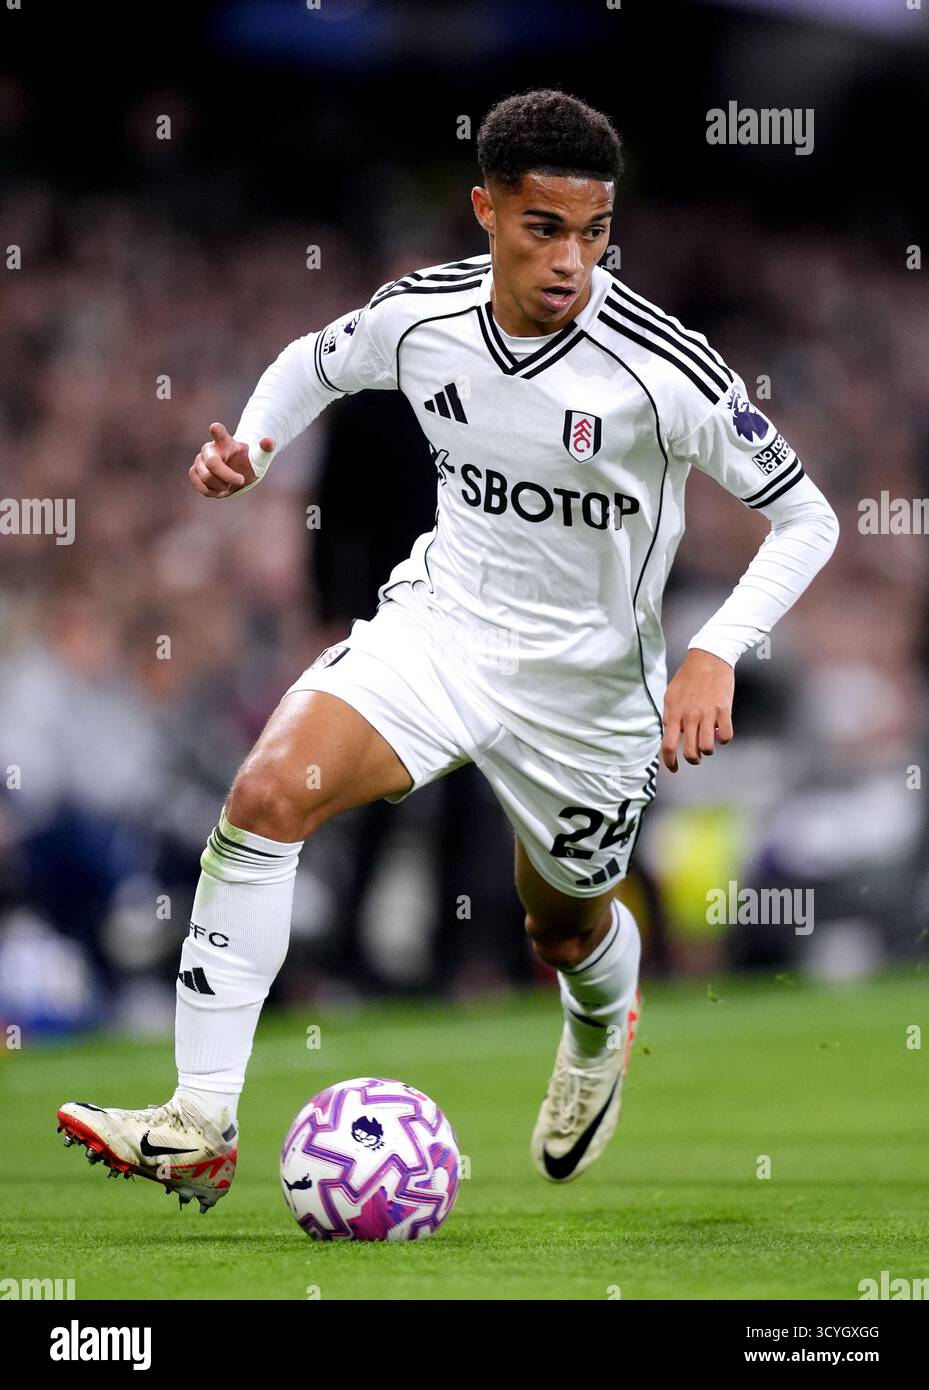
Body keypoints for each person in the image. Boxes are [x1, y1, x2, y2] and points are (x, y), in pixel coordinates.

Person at [57, 89, 839, 1212]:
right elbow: (313, 360)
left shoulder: (661, 368)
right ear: (484, 209)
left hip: (586, 695)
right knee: (267, 794)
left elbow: (806, 515)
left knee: (559, 922)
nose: (571, 259)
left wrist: (714, 650)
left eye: (593, 232)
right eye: (542, 228)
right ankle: (198, 1119)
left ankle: (598, 1014)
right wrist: (256, 444)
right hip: (441, 632)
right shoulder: (421, 319)